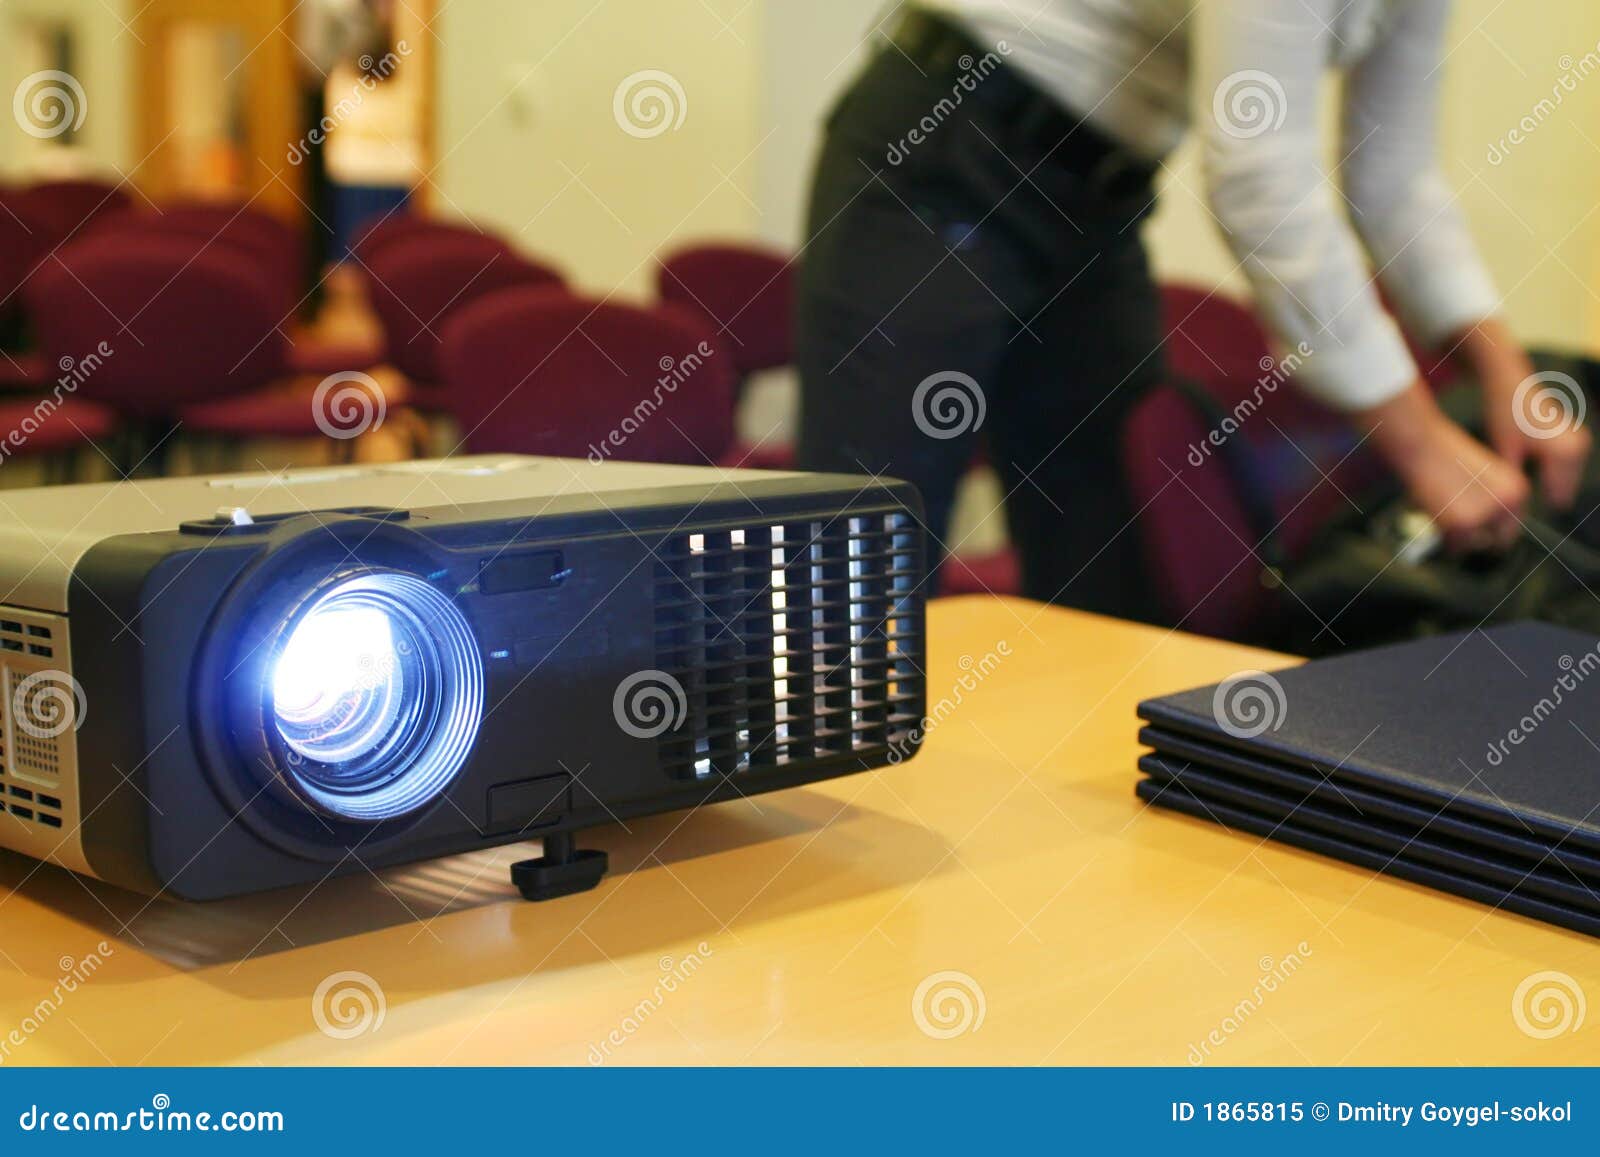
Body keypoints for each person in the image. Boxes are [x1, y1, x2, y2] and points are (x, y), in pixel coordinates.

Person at [795, 0, 1592, 622]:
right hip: (940, 158)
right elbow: (1259, 167)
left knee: (1110, 595)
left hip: (1097, 198)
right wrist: (1420, 445)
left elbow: (1393, 175)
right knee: (858, 597)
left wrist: (1509, 377)